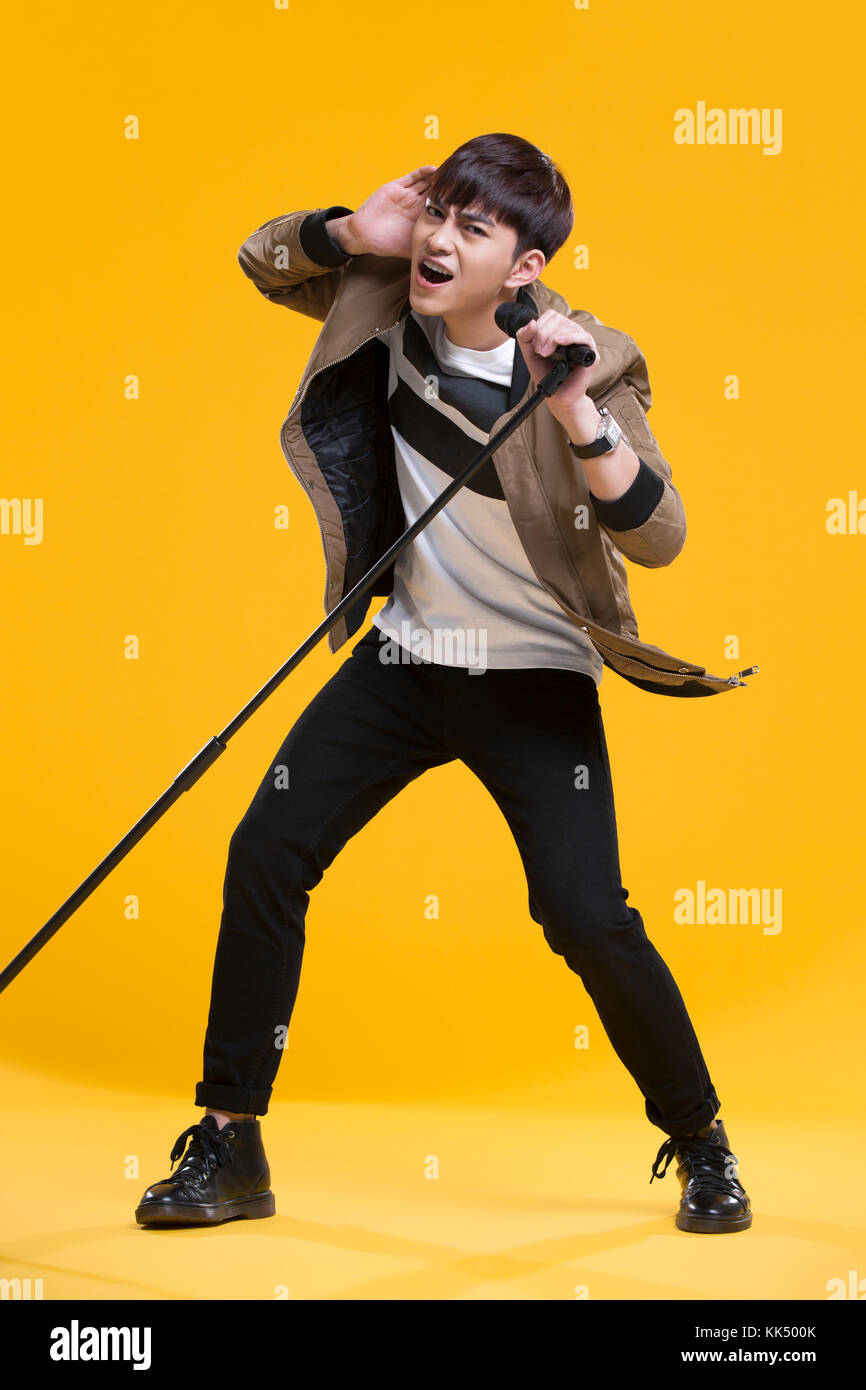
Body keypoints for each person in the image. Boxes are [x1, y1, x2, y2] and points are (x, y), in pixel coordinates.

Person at [135, 133, 752, 1235]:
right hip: (406, 660)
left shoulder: (587, 357)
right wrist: (347, 231)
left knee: (583, 915)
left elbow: (657, 534)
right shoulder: (382, 294)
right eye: (439, 215)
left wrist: (572, 412)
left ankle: (700, 1138)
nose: (440, 241)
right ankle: (229, 1144)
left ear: (522, 264)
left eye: (474, 228)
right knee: (265, 848)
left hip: (532, 683)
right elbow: (261, 259)